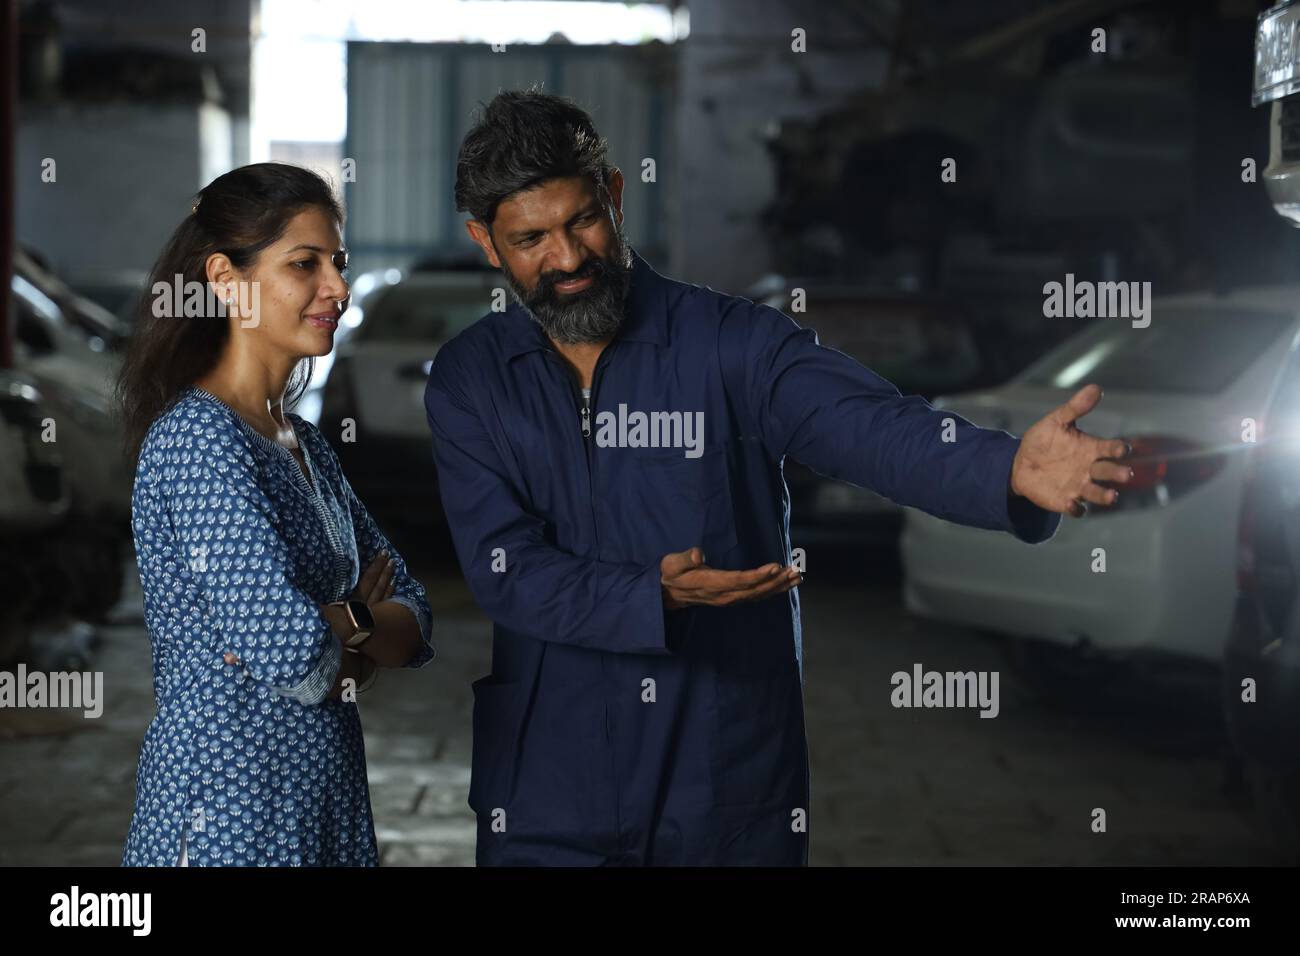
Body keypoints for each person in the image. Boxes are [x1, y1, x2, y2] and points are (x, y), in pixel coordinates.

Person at [426, 89, 1133, 866]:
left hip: (720, 774)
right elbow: (506, 569)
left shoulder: (730, 343)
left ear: (616, 197)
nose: (566, 259)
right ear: (486, 244)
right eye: (531, 239)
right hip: (546, 784)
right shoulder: (472, 379)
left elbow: (868, 426)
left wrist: (1004, 468)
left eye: (581, 221)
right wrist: (648, 597)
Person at [117, 162, 435, 867]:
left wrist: (338, 622)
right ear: (226, 279)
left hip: (325, 796)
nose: (339, 289)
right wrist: (353, 624)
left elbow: (414, 622)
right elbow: (289, 648)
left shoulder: (308, 445)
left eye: (338, 263)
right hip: (228, 815)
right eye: (305, 264)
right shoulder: (198, 441)